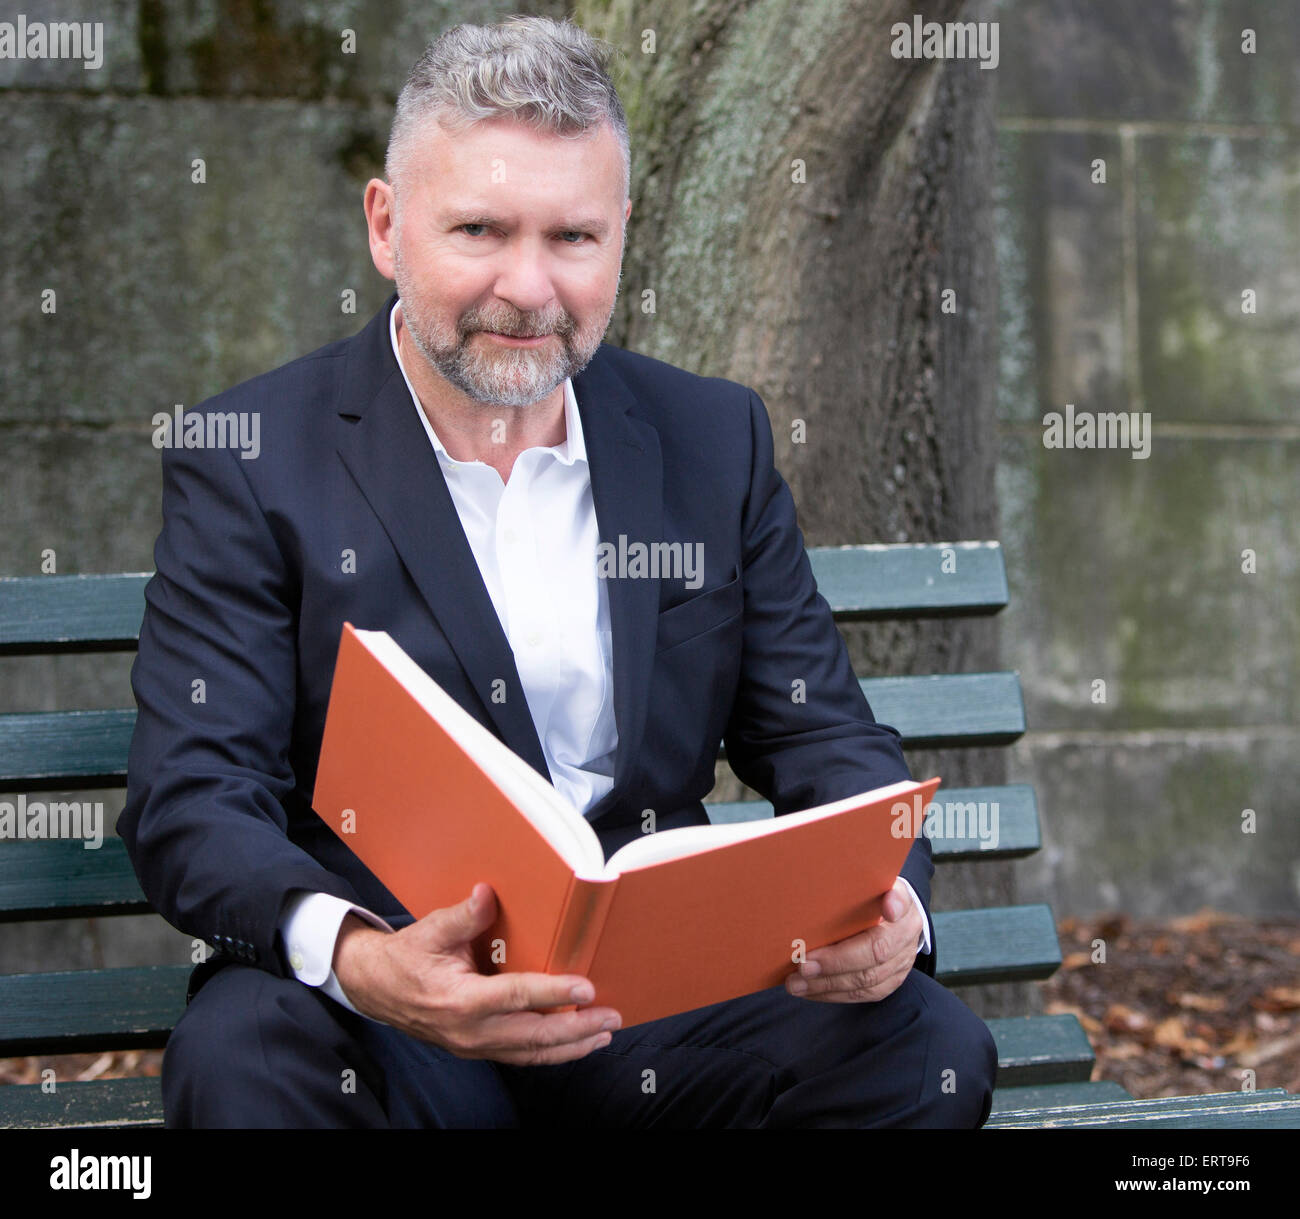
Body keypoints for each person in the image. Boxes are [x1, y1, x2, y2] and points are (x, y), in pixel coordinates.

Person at [120, 14, 997, 1129]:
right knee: (241, 1054)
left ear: (622, 234)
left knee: (927, 1051)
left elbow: (825, 737)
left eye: (572, 239)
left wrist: (889, 909)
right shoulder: (250, 457)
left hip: (660, 1009)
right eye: (480, 229)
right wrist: (365, 958)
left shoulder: (708, 438)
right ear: (387, 227)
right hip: (393, 1008)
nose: (528, 288)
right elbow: (194, 795)